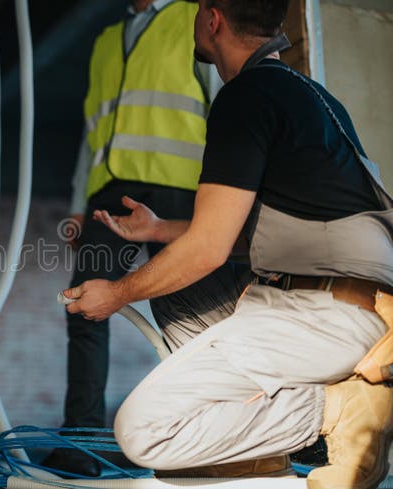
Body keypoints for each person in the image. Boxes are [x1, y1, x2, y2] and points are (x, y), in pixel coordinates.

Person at [65, 0, 393, 487]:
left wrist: (115, 295)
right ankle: (250, 453)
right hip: (349, 303)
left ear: (213, 20)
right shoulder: (307, 95)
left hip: (324, 314)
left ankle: (337, 410)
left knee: (143, 431)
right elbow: (256, 232)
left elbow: (207, 251)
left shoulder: (245, 98)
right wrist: (159, 230)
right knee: (176, 290)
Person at [45, 0, 250, 477]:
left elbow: (226, 105)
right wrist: (79, 204)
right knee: (83, 309)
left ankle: (220, 432)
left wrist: (224, 195)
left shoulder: (195, 18)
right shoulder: (103, 42)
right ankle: (82, 444)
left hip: (183, 190)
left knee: (195, 308)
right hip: (108, 194)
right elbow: (92, 133)